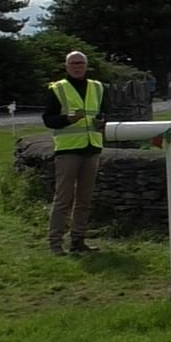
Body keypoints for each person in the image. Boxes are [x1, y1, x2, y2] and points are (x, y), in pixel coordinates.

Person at [41, 50, 106, 255]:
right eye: (73, 63)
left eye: (80, 63)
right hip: (68, 149)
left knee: (84, 199)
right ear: (66, 66)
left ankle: (78, 240)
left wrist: (102, 122)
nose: (77, 66)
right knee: (63, 199)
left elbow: (104, 112)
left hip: (92, 147)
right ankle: (55, 243)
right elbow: (48, 119)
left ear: (86, 65)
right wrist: (66, 120)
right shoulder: (58, 88)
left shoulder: (97, 87)